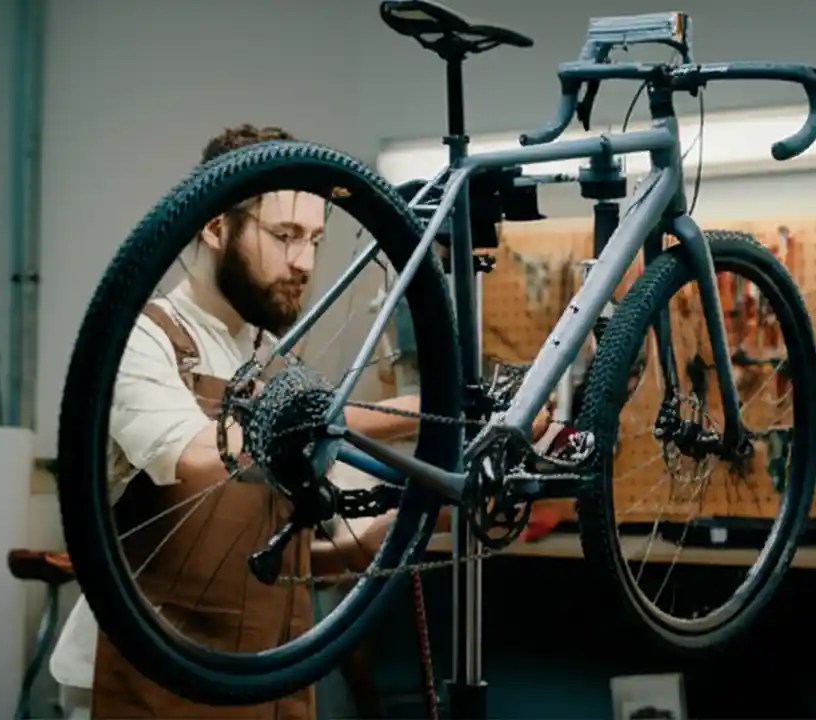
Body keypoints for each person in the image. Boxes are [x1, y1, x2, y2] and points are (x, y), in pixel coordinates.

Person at [49, 124, 551, 719]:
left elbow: (286, 550)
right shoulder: (140, 340)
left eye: (314, 239)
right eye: (285, 235)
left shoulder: (271, 358)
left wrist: (423, 506)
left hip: (266, 678)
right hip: (153, 683)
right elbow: (199, 453)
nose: (305, 262)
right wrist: (430, 410)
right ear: (214, 224)